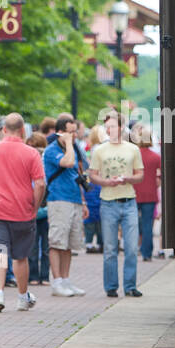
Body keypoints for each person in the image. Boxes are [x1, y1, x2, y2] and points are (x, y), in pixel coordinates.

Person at [0, 113, 46, 312]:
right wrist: (35, 205)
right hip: (22, 211)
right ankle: (22, 297)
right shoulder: (31, 153)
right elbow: (40, 183)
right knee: (20, 257)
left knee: (0, 252)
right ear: (23, 130)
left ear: (3, 130)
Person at [90, 114, 145, 297]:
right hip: (108, 202)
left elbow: (140, 175)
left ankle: (130, 286)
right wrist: (106, 182)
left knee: (131, 248)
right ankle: (111, 286)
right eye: (107, 127)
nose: (109, 130)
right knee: (110, 249)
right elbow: (93, 175)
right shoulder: (99, 150)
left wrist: (128, 178)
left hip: (129, 200)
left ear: (121, 127)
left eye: (112, 126)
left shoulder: (132, 149)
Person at [42, 112, 89, 297]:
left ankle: (66, 279)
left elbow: (79, 172)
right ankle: (57, 281)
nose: (74, 135)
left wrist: (83, 201)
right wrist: (69, 143)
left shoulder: (75, 148)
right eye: (70, 132)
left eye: (75, 132)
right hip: (58, 200)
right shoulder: (53, 149)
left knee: (70, 243)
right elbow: (68, 163)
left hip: (74, 199)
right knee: (57, 241)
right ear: (61, 132)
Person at [133, 125, 161, 260]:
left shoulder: (133, 155)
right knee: (147, 225)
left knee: (133, 224)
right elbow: (161, 176)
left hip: (133, 193)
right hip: (150, 194)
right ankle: (147, 253)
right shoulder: (156, 157)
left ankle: (134, 249)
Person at [26, 132, 51, 285]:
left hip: (43, 207)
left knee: (46, 245)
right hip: (32, 207)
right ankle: (34, 275)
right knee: (33, 245)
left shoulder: (45, 162)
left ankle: (44, 276)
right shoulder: (27, 161)